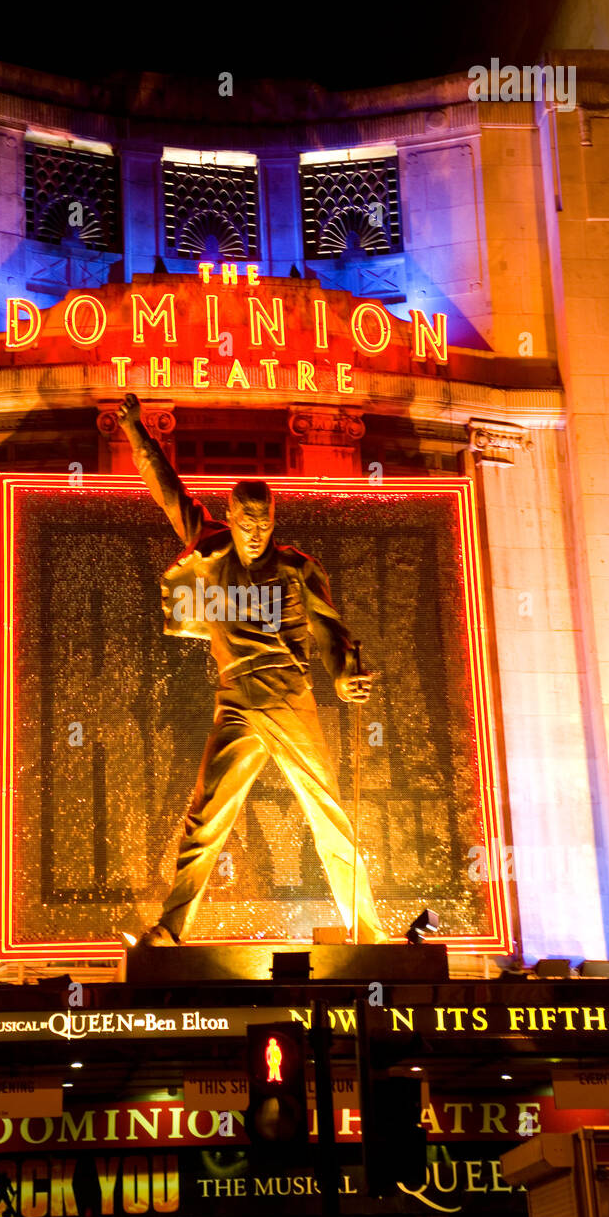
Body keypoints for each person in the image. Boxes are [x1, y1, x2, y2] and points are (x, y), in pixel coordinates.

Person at [116, 393, 387, 946]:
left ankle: (367, 926)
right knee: (206, 816)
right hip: (237, 701)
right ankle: (171, 928)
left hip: (289, 699)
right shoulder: (210, 548)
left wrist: (342, 675)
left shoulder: (298, 569)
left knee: (327, 813)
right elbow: (168, 493)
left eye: (264, 520)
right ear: (231, 516)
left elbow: (331, 631)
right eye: (246, 520)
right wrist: (138, 435)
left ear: (273, 519)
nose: (255, 530)